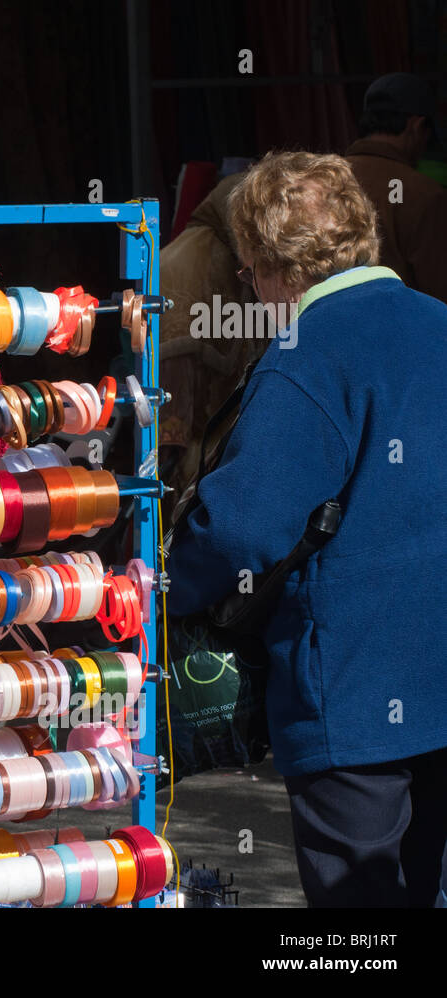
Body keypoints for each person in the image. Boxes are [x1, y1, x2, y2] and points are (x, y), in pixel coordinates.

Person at [165, 150, 447, 907]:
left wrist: (167, 579)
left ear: (270, 267)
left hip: (355, 693)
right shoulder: (438, 324)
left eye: (251, 276)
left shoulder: (307, 354)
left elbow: (240, 529)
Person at [157, 171, 267, 500]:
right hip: (200, 460)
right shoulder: (185, 265)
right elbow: (168, 415)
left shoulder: (228, 254)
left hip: (226, 450)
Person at [345, 72, 447, 302]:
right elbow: (439, 291)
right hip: (405, 332)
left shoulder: (319, 182)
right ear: (417, 126)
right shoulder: (425, 195)